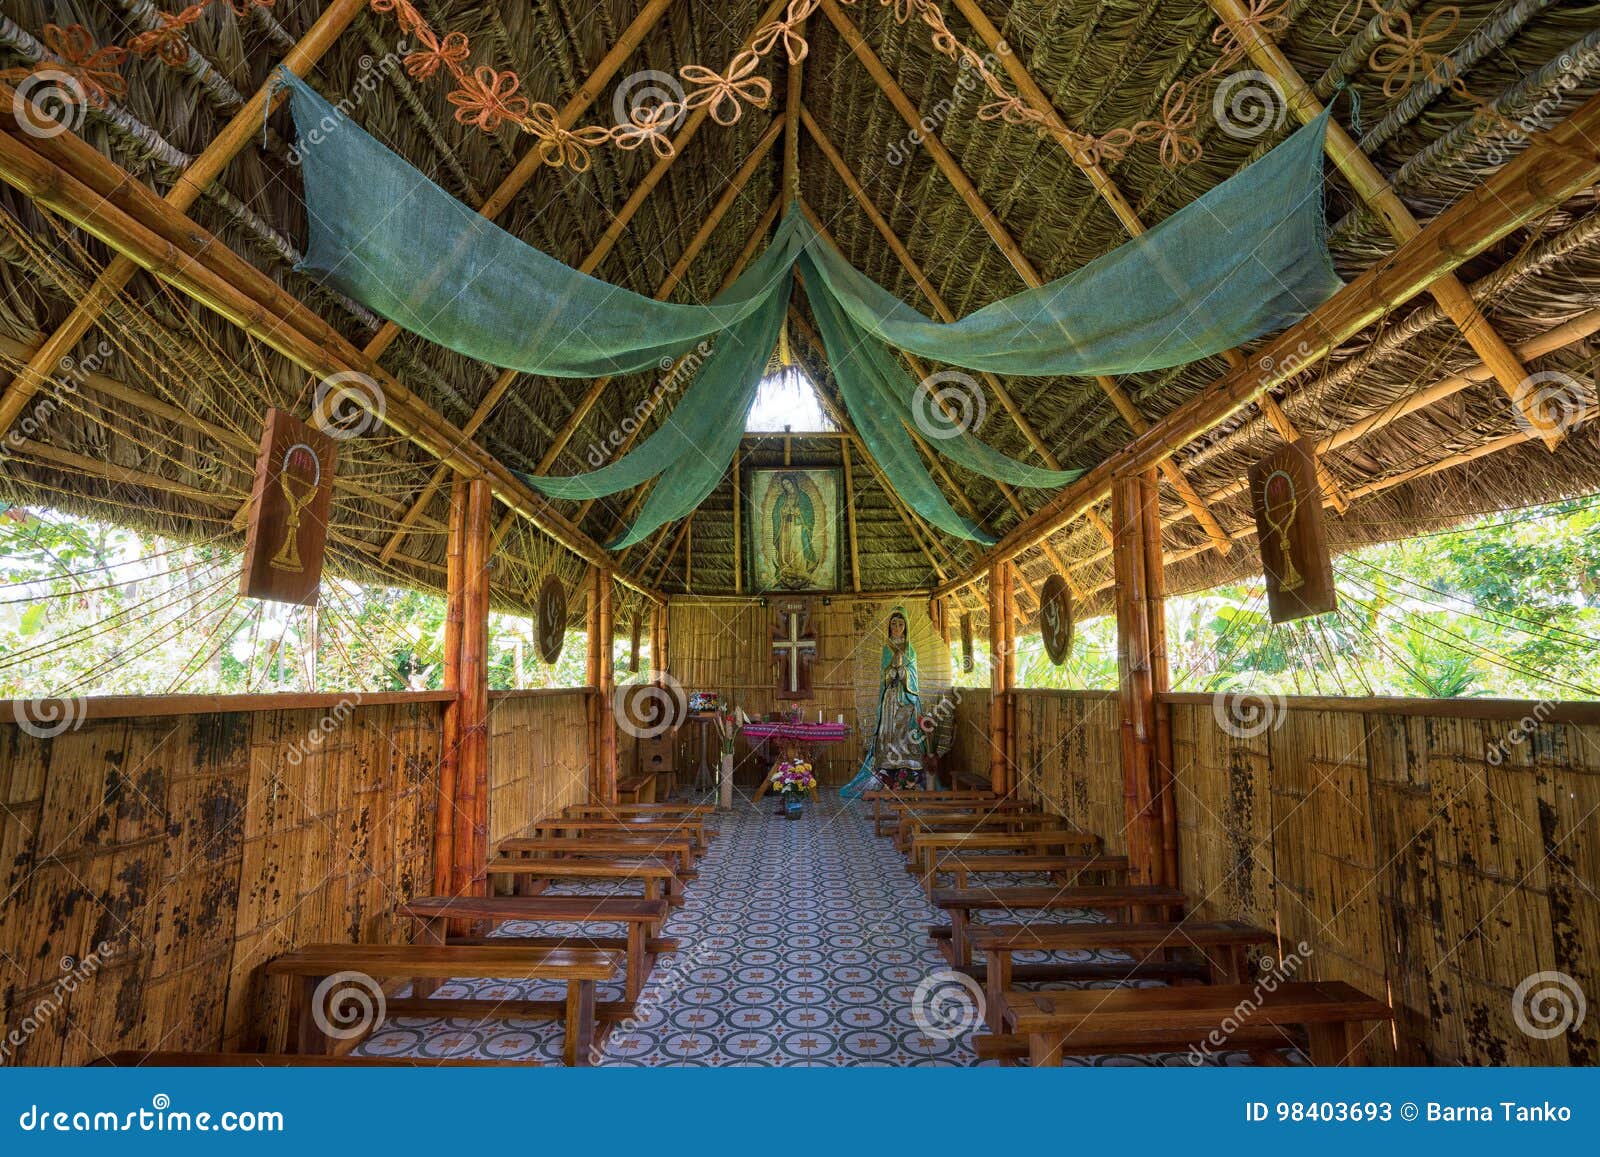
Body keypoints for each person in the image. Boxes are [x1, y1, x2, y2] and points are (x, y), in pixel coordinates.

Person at [841, 608, 928, 798]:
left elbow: (914, 677)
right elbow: (884, 675)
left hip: (906, 698)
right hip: (890, 697)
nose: (897, 627)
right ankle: (887, 768)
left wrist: (903, 672)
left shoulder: (910, 649)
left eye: (900, 624)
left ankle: (907, 771)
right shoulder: (886, 648)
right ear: (889, 627)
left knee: (905, 730)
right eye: (894, 624)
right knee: (888, 730)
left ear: (906, 627)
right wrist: (892, 672)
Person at [771, 473, 816, 587]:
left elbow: (809, 513)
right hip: (785, 525)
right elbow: (775, 512)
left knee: (796, 548)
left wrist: (799, 512)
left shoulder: (803, 497)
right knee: (784, 548)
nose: (786, 486)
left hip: (798, 526)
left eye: (788, 483)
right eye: (784, 484)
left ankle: (799, 571)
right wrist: (782, 512)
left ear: (793, 482)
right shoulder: (782, 498)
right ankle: (785, 570)